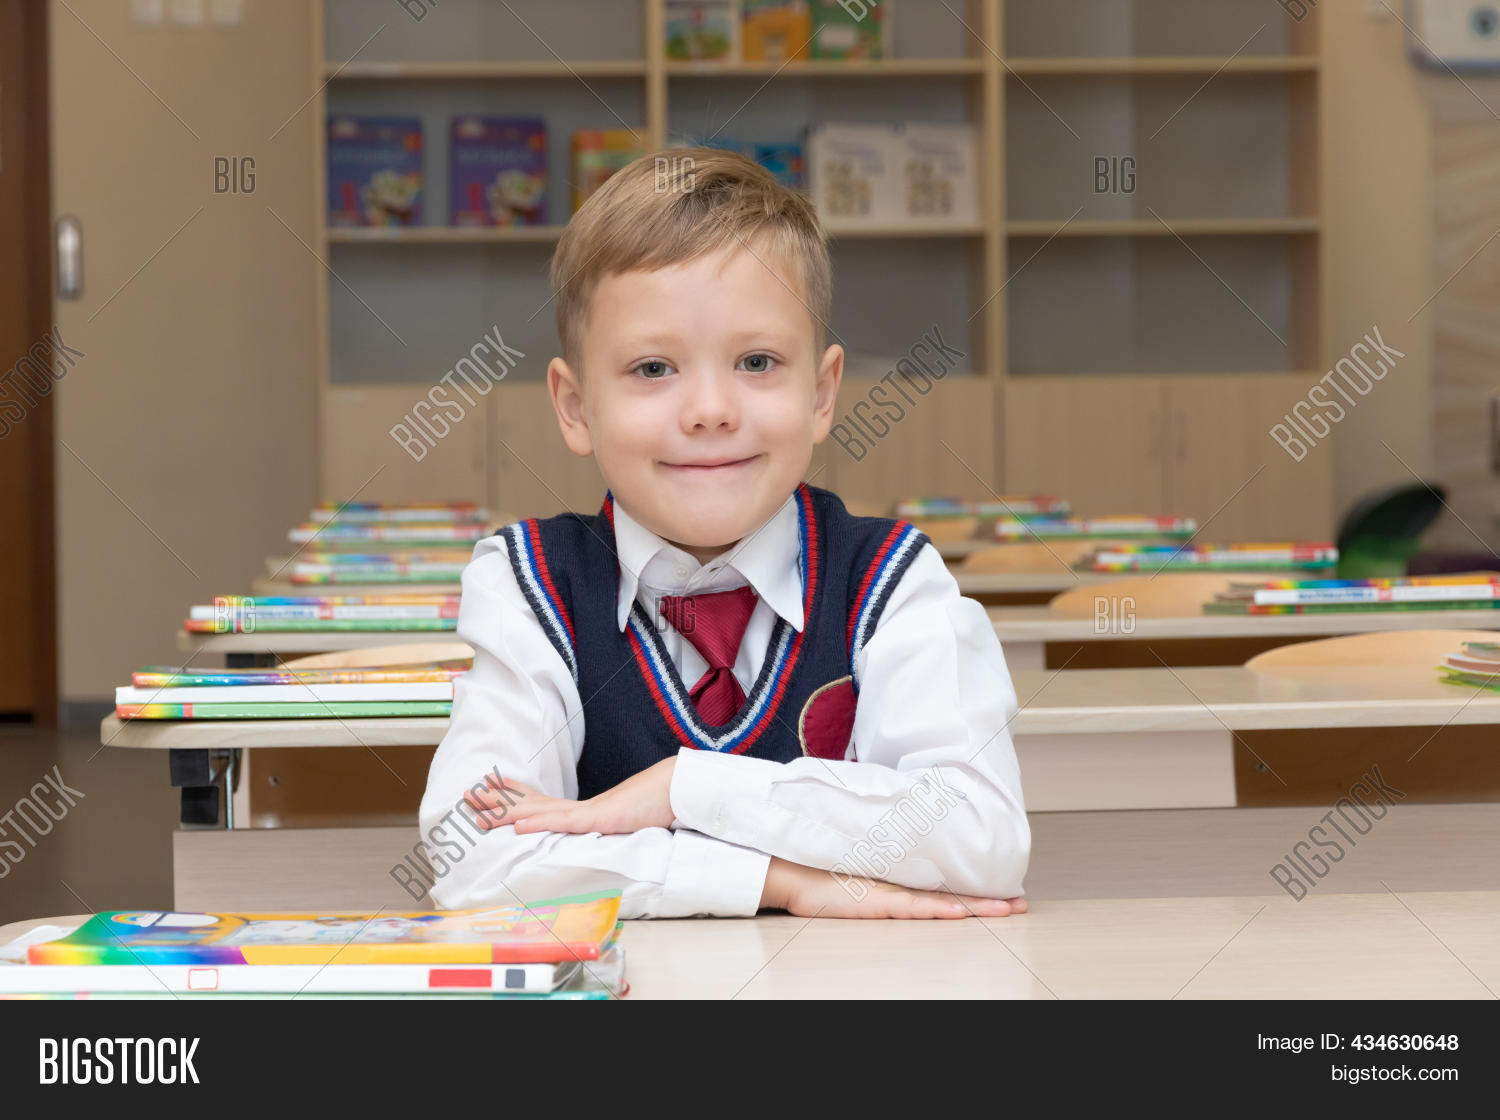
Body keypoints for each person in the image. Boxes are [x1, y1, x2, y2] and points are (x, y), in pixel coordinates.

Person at [418, 148, 1029, 919]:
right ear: (575, 407)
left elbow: (981, 837)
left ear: (822, 391)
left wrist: (687, 788)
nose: (710, 409)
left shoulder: (890, 579)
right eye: (651, 369)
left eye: (757, 361)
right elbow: (465, 853)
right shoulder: (527, 583)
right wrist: (776, 881)